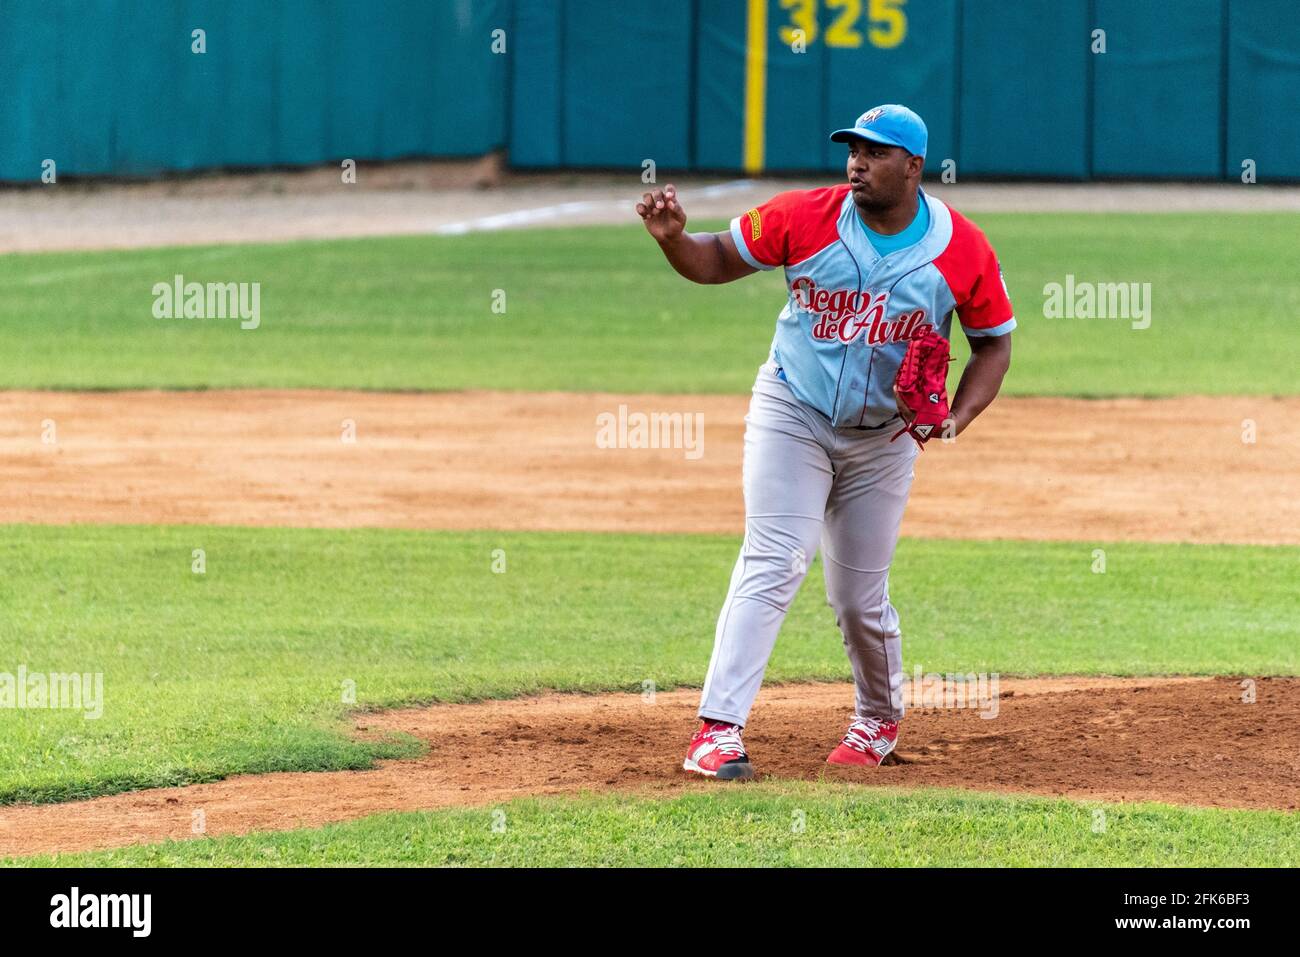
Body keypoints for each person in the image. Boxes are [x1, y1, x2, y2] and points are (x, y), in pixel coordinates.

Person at [635, 104, 1014, 779]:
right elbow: (718, 257)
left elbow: (994, 344)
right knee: (776, 557)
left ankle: (876, 719)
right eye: (853, 149)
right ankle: (715, 731)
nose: (857, 163)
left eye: (875, 152)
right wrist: (673, 240)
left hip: (885, 437)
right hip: (794, 409)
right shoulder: (804, 217)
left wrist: (955, 417)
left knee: (857, 597)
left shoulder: (961, 249)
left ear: (914, 166)